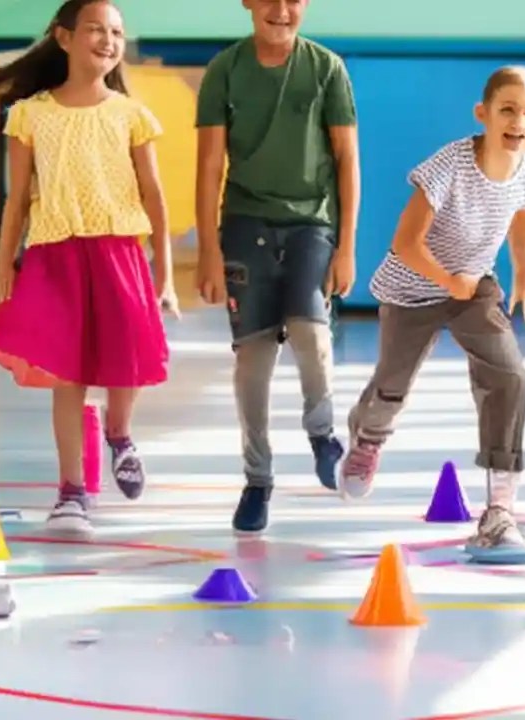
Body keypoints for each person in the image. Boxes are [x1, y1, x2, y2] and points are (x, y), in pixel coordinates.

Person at [339, 66, 525, 565]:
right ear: (483, 114)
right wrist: (448, 281)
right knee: (392, 385)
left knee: (509, 375)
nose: (519, 121)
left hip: (474, 285)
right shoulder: (449, 165)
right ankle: (367, 436)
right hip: (412, 288)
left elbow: (518, 231)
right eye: (508, 110)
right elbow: (405, 243)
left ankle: (499, 510)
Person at [0, 0, 176, 536]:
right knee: (68, 375)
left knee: (126, 355)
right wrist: (4, 266)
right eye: (95, 29)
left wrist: (167, 271)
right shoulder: (30, 114)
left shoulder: (131, 115)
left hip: (118, 250)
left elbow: (153, 195)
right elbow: (16, 199)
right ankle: (71, 490)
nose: (108, 40)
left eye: (116, 31)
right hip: (54, 253)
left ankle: (119, 434)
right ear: (64, 38)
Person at [194, 0, 360, 534]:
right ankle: (258, 479)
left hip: (312, 223)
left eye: (293, 0)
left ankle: (322, 433)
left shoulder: (326, 68)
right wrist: (209, 252)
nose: (280, 9)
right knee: (253, 364)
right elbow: (210, 165)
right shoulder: (225, 70)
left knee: (312, 334)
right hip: (245, 223)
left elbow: (346, 158)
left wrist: (347, 245)